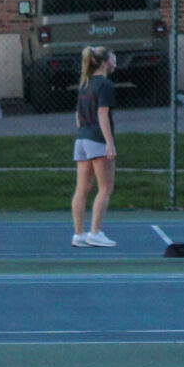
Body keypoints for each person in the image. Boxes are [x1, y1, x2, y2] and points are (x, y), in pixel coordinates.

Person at [71, 46, 118, 248]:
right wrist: (109, 142)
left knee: (82, 188)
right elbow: (102, 114)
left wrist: (84, 131)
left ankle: (79, 234)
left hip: (81, 139)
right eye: (113, 58)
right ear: (105, 63)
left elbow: (78, 115)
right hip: (97, 139)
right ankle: (95, 232)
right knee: (105, 188)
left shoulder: (85, 84)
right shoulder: (105, 84)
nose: (115, 62)